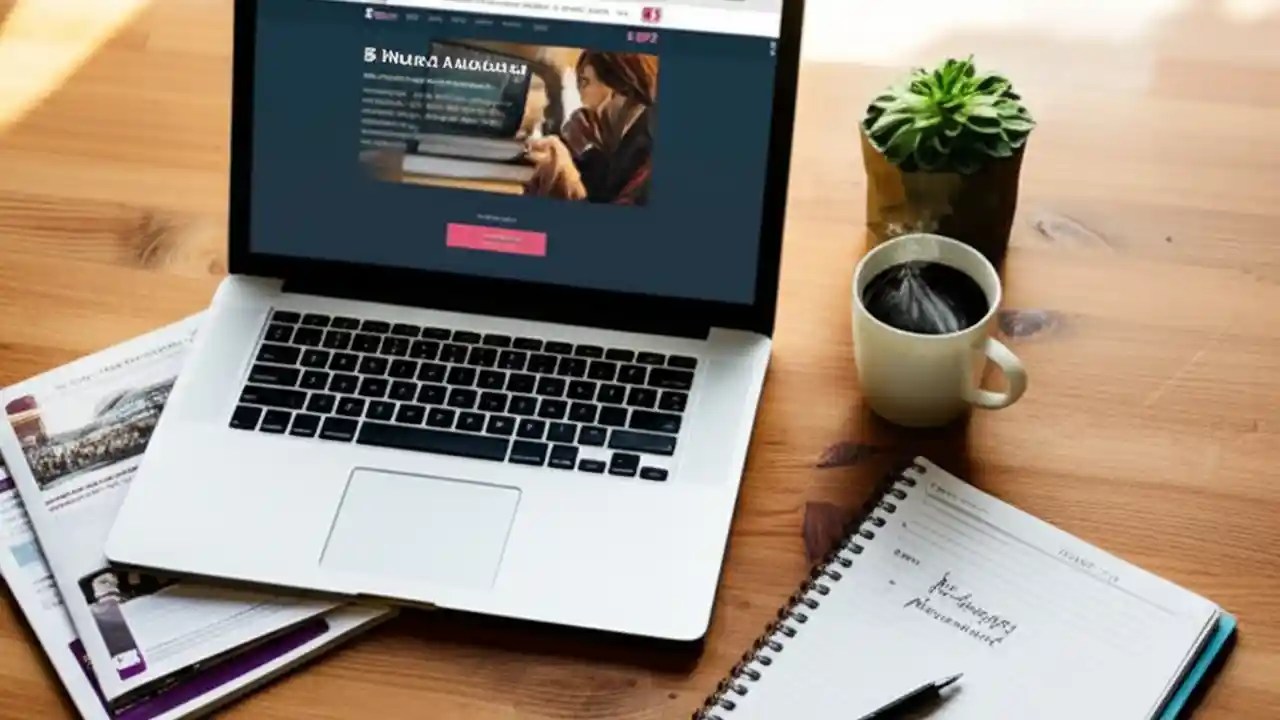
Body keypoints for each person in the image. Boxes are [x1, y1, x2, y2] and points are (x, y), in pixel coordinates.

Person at [524, 51, 656, 205]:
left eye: (585, 82)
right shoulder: (606, 153)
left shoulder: (651, 154)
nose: (581, 97)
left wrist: (566, 179)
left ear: (620, 85)